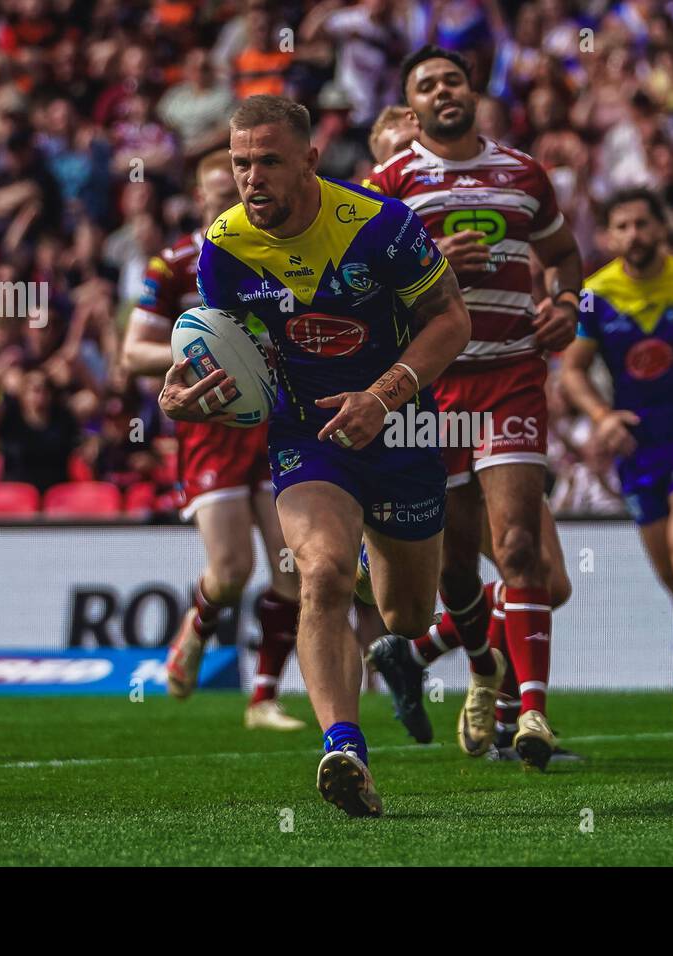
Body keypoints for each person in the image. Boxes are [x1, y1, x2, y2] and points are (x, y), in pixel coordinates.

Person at [158, 95, 470, 817]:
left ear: (308, 158)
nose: (251, 178)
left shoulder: (382, 229)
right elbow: (226, 354)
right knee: (318, 573)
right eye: (240, 164)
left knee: (408, 616)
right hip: (307, 437)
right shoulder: (225, 247)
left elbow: (451, 319)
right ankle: (344, 749)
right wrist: (185, 395)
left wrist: (384, 396)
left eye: (269, 161)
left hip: (402, 431)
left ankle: (374, 571)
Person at [359, 47, 582, 768]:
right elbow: (360, 291)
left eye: (452, 78)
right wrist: (431, 270)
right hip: (432, 387)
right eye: (425, 83)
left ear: (472, 89)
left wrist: (568, 303)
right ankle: (480, 670)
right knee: (455, 571)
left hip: (512, 374)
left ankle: (535, 720)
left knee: (522, 551)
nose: (442, 90)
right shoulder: (387, 184)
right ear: (409, 106)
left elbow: (564, 254)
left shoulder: (523, 171)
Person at [121, 149, 304, 733]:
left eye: (240, 186)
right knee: (230, 571)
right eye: (219, 189)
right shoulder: (172, 264)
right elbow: (132, 354)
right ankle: (194, 634)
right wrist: (198, 358)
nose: (233, 195)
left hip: (277, 425)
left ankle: (263, 699)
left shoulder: (277, 254)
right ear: (200, 197)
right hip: (210, 431)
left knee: (291, 569)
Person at [559, 188, 673, 713]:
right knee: (671, 569)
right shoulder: (596, 294)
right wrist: (603, 417)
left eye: (643, 224)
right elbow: (572, 370)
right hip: (637, 447)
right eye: (623, 226)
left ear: (662, 228)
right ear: (608, 235)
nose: (634, 235)